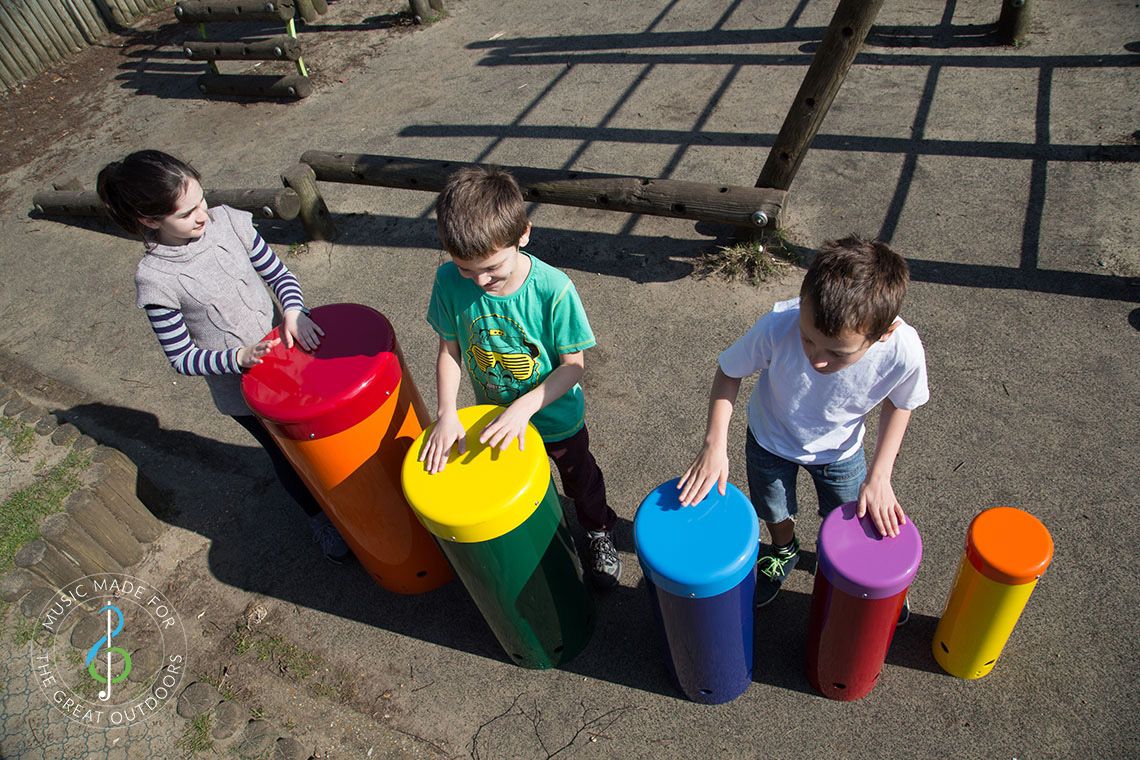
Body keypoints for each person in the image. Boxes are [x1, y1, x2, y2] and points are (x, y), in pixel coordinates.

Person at [96, 149, 350, 563]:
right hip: (246, 395)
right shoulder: (156, 280)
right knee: (286, 454)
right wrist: (240, 357)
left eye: (201, 200)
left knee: (322, 435)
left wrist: (292, 310)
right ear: (149, 220)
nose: (202, 215)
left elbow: (279, 274)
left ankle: (350, 495)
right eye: (187, 213)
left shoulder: (229, 221)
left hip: (292, 360)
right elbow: (181, 356)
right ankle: (319, 516)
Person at [677, 236, 929, 614]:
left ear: (882, 333)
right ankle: (783, 549)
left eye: (836, 352)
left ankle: (857, 574)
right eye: (808, 339)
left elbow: (901, 402)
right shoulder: (780, 324)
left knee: (852, 516)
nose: (817, 358)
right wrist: (714, 444)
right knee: (773, 508)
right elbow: (729, 372)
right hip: (769, 441)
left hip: (841, 451)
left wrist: (880, 475)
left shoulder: (903, 349)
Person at [417, 166, 621, 589]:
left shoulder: (554, 289)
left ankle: (599, 530)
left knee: (579, 478)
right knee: (515, 489)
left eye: (492, 267)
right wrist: (447, 412)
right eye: (466, 270)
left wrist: (525, 407)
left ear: (523, 234)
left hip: (555, 418)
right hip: (494, 418)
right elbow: (450, 349)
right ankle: (537, 540)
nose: (480, 281)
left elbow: (573, 365)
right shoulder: (447, 281)